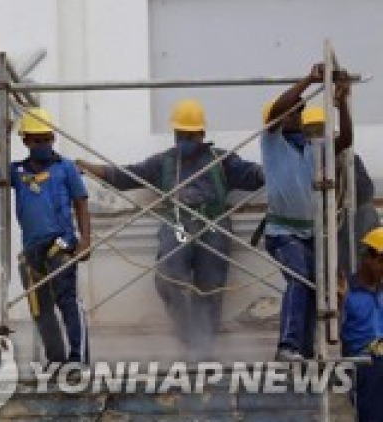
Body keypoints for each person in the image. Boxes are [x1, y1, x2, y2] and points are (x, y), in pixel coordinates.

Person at [78, 99, 264, 359]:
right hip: (177, 223)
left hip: (213, 225)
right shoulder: (164, 163)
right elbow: (125, 177)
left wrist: (276, 172)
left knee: (210, 286)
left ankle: (204, 351)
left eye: (190, 135)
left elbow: (254, 177)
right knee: (168, 278)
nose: (185, 140)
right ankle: (190, 339)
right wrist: (86, 167)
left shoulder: (221, 161)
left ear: (202, 134)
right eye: (181, 135)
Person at [262, 63, 351, 361]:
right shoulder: (272, 143)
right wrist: (309, 81)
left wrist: (342, 105)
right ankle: (287, 345)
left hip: (310, 234)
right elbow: (279, 110)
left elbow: (345, 141)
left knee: (316, 288)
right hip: (282, 233)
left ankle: (305, 350)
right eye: (293, 112)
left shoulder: (313, 148)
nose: (297, 116)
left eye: (300, 112)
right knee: (299, 278)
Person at [12, 108, 91, 364]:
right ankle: (56, 360)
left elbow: (81, 203)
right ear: (25, 140)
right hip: (32, 250)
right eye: (37, 140)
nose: (43, 144)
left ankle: (77, 357)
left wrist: (85, 241)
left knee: (67, 301)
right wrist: (0, 139)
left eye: (47, 138)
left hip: (60, 245)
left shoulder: (65, 168)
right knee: (41, 309)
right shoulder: (18, 170)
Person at [299, 105, 381, 277]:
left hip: (346, 225)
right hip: (317, 228)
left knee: (366, 214)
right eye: (311, 131)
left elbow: (364, 193)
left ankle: (355, 281)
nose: (316, 137)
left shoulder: (349, 159)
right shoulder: (300, 163)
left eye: (320, 130)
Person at [341, 227, 383, 422]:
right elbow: (330, 339)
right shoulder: (347, 291)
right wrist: (339, 305)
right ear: (369, 258)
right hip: (365, 364)